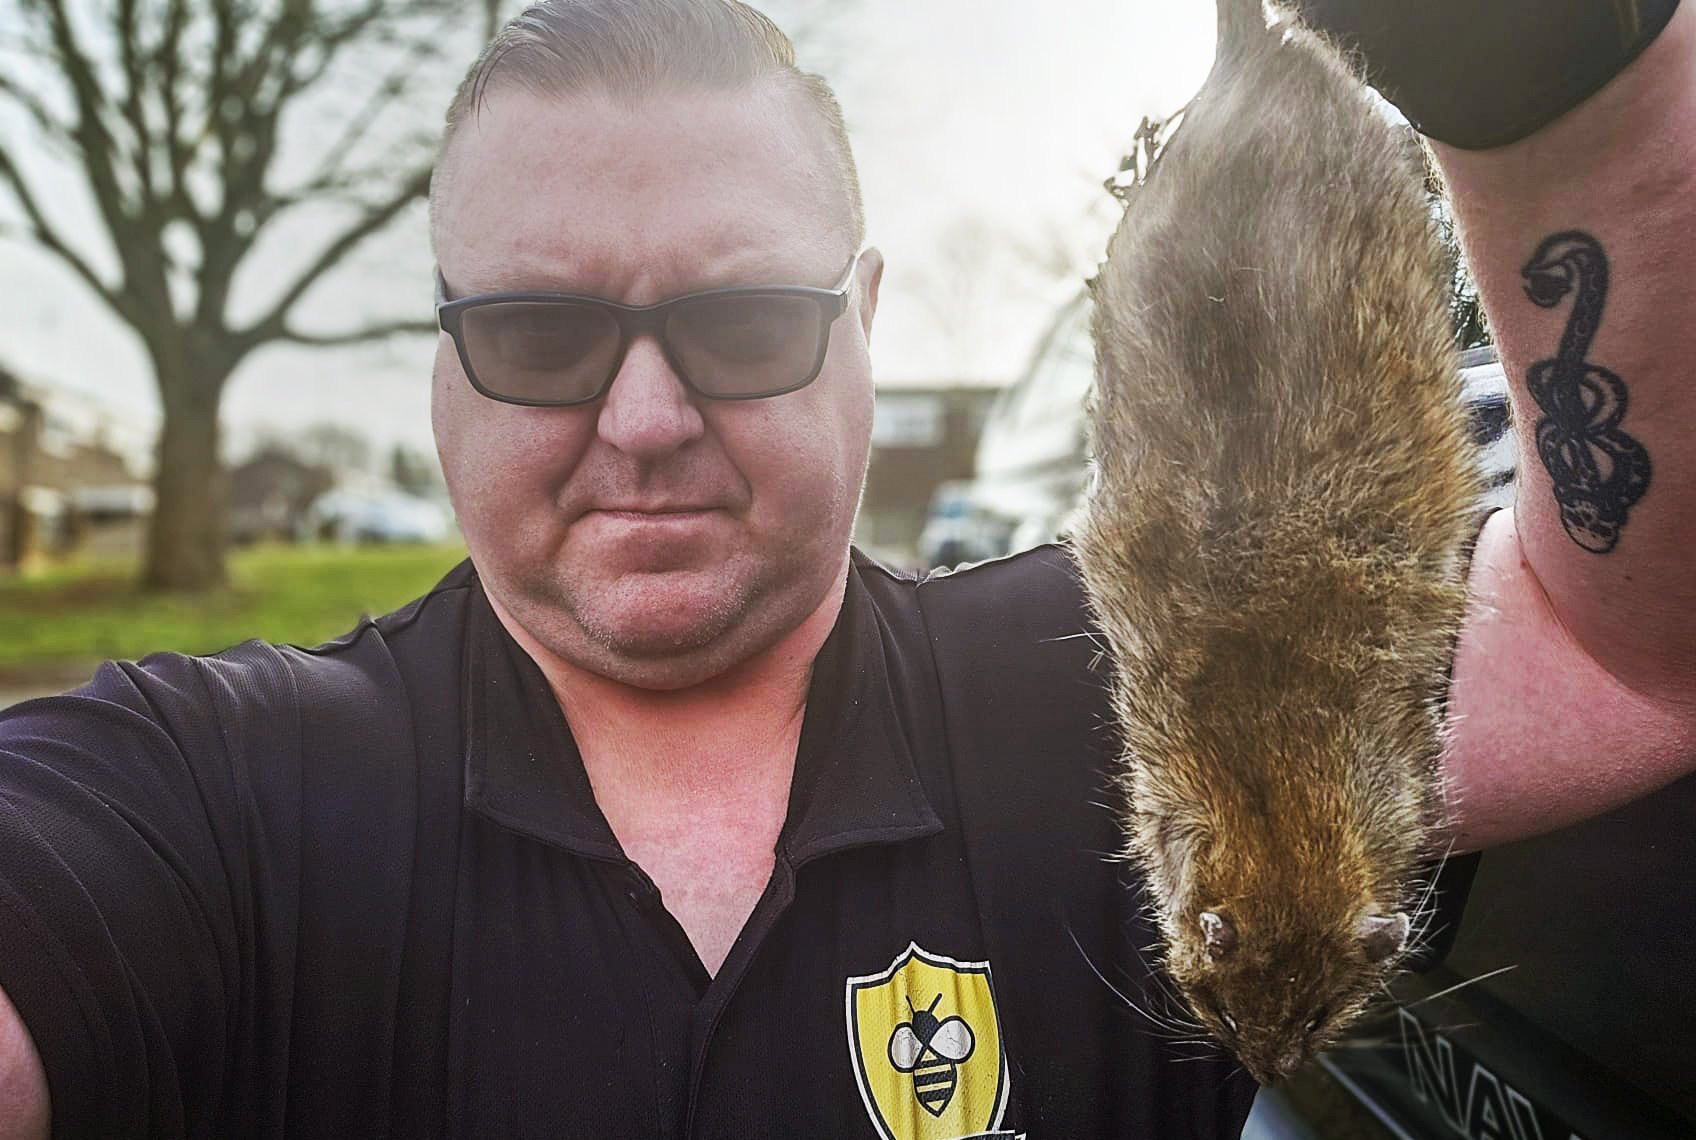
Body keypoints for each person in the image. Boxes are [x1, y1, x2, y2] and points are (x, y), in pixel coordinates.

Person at [0, 0, 1692, 1136]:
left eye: (743, 322)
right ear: (444, 356)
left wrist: (1544, 77)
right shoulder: (211, 793)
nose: (645, 420)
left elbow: (1623, 653)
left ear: (865, 324)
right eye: (539, 331)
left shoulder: (1120, 691)